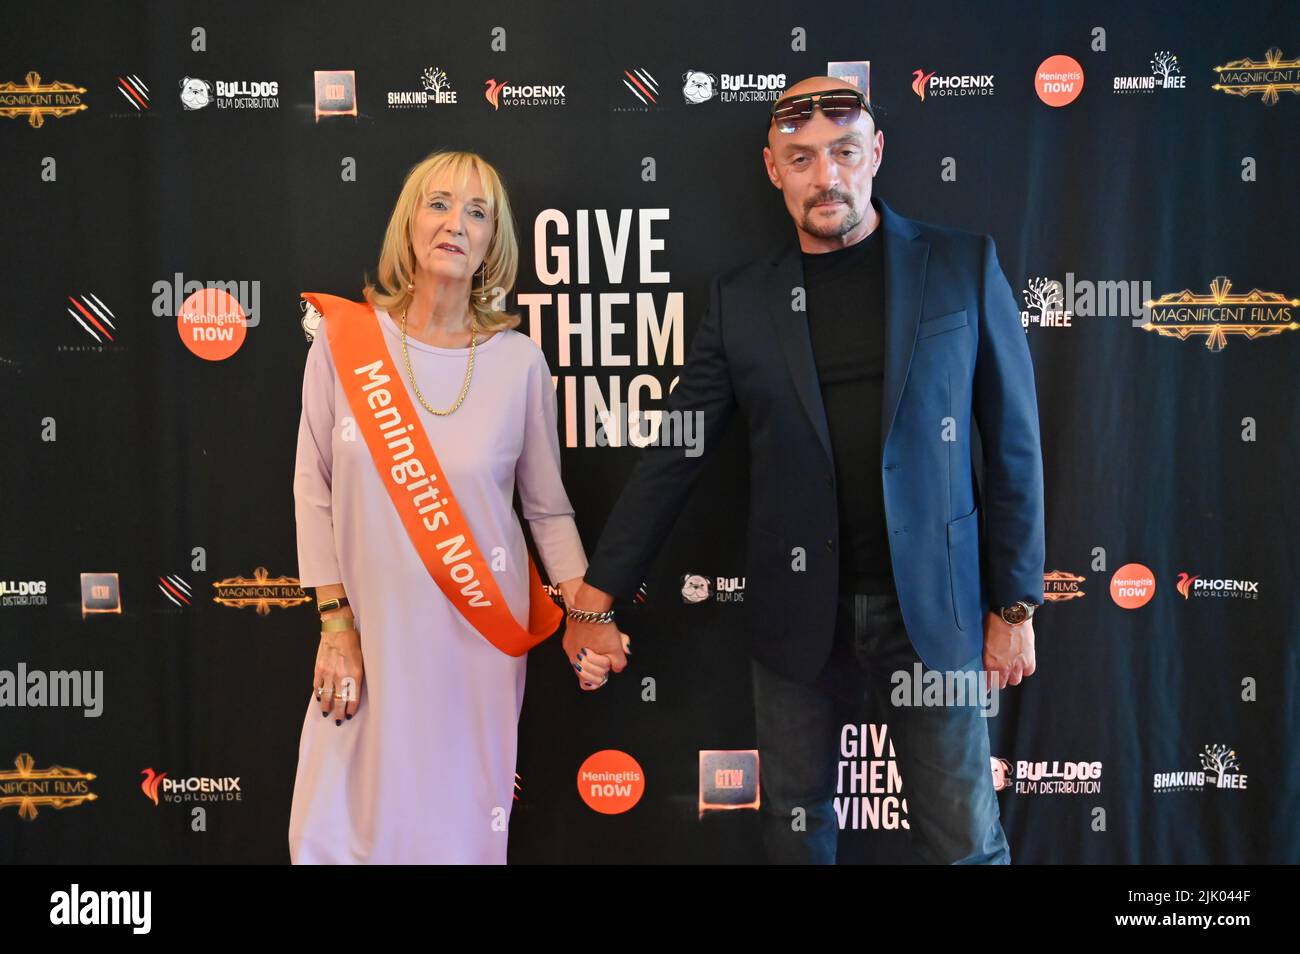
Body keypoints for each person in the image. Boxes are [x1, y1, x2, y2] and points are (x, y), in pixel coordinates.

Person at [562, 76, 1045, 864]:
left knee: (963, 841)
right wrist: (597, 593)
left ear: (875, 155)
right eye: (802, 158)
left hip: (936, 609)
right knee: (795, 832)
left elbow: (1015, 447)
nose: (826, 177)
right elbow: (676, 452)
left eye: (844, 153)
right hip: (796, 615)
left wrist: (1016, 605)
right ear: (772, 168)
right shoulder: (742, 300)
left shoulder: (962, 265)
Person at [288, 150, 617, 863]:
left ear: (494, 242)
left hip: (475, 641)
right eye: (439, 204)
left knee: (455, 839)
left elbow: (549, 512)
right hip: (368, 639)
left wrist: (588, 615)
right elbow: (311, 487)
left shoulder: (518, 362)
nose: (455, 224)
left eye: (478, 212)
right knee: (331, 833)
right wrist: (335, 623)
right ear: (408, 225)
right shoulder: (345, 345)